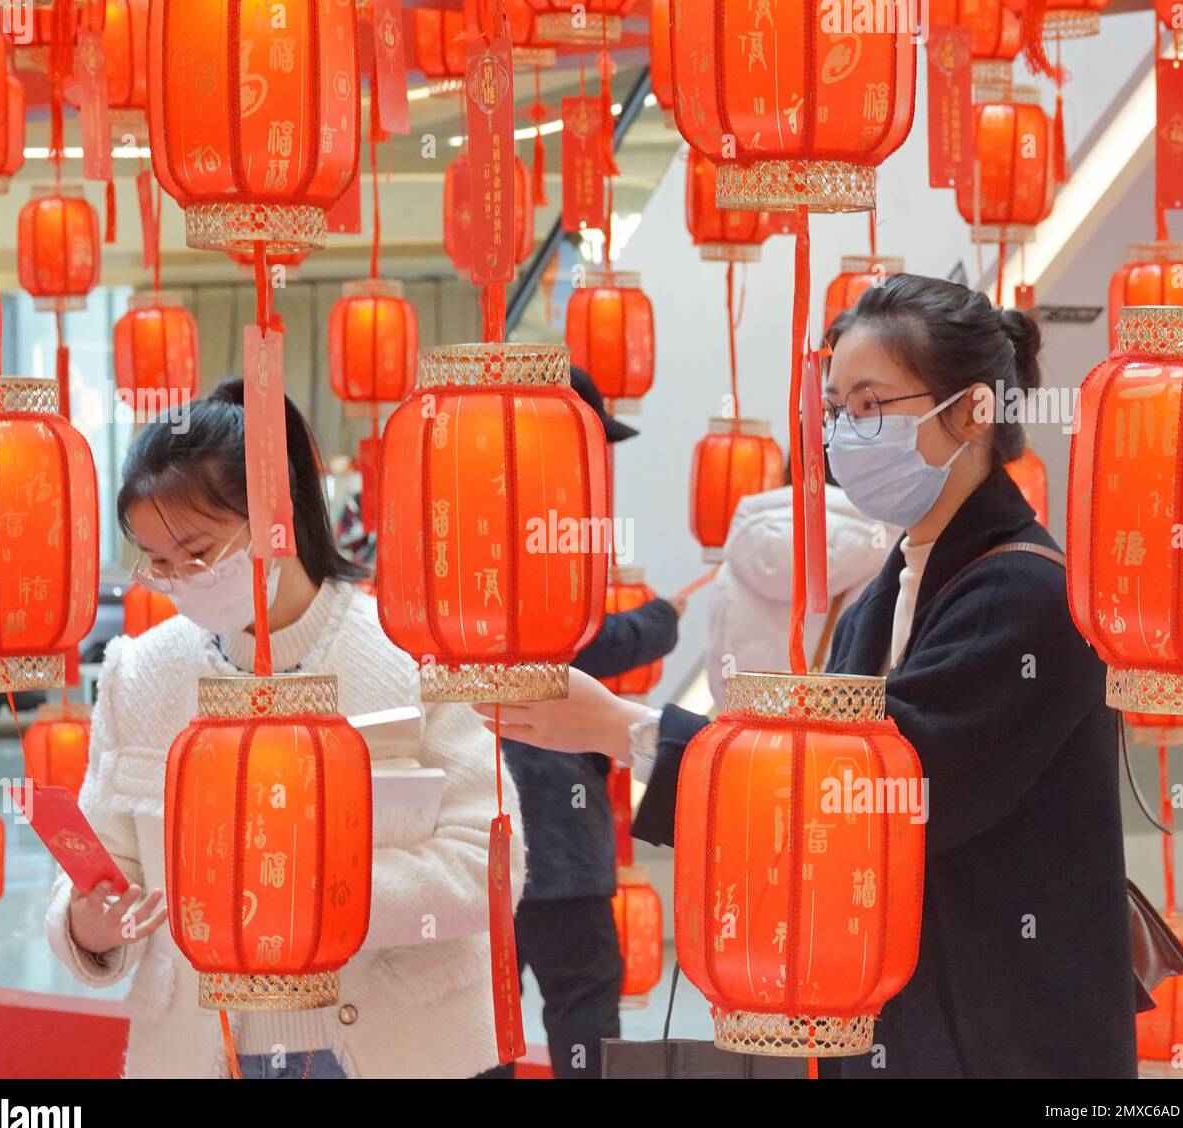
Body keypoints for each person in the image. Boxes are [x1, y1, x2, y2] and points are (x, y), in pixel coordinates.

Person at [475, 274, 1136, 1078]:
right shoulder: (885, 592)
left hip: (1005, 1032)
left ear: (972, 410)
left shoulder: (1025, 594)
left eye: (870, 404)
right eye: (834, 408)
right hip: (906, 1023)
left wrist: (628, 729)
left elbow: (883, 789)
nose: (842, 432)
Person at [46, 377, 524, 1079]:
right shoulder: (141, 675)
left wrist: (315, 893)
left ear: (274, 516)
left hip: (401, 1042)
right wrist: (86, 926)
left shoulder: (410, 657)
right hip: (203, 1049)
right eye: (160, 562)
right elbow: (102, 865)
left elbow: (488, 864)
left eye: (199, 552)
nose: (181, 578)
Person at [483, 367, 683, 1079]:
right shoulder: (543, 532)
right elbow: (588, 642)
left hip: (478, 829)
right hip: (555, 823)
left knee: (481, 1019)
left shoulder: (475, 519)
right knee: (583, 1013)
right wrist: (666, 617)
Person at [707, 475, 895, 702]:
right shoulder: (884, 556)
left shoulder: (738, 557)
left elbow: (720, 678)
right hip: (833, 728)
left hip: (749, 732)